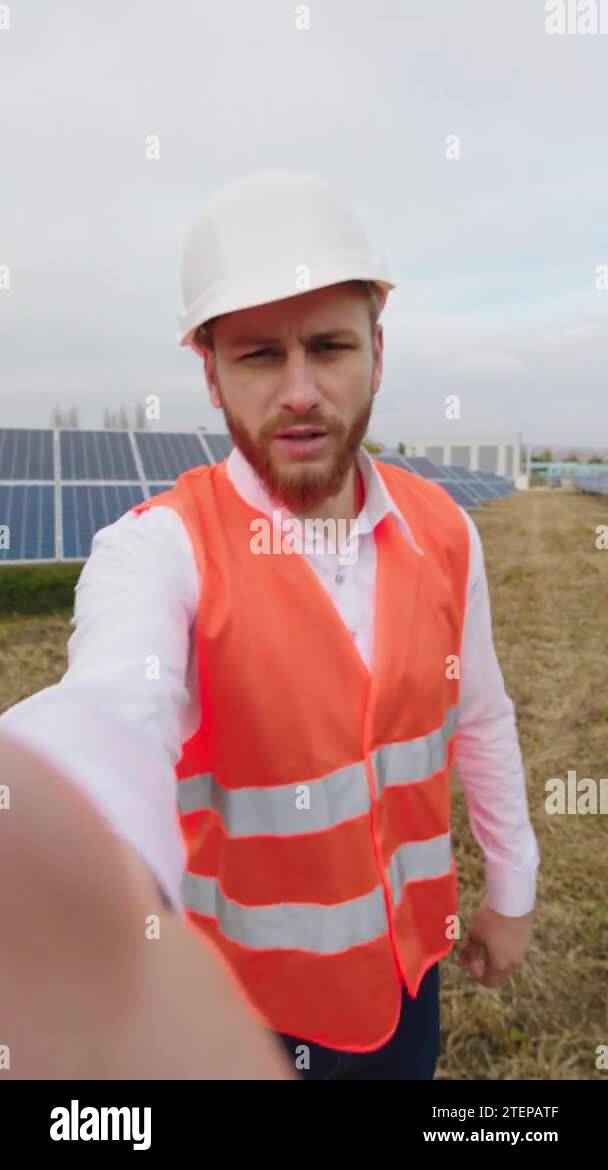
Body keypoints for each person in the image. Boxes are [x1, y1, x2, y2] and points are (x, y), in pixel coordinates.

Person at [0, 169, 539, 1081]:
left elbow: (480, 719)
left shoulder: (444, 530)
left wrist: (512, 890)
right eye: (257, 355)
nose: (299, 392)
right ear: (209, 373)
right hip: (254, 1013)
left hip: (411, 978)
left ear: (379, 351)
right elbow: (107, 720)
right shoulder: (156, 554)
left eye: (329, 348)